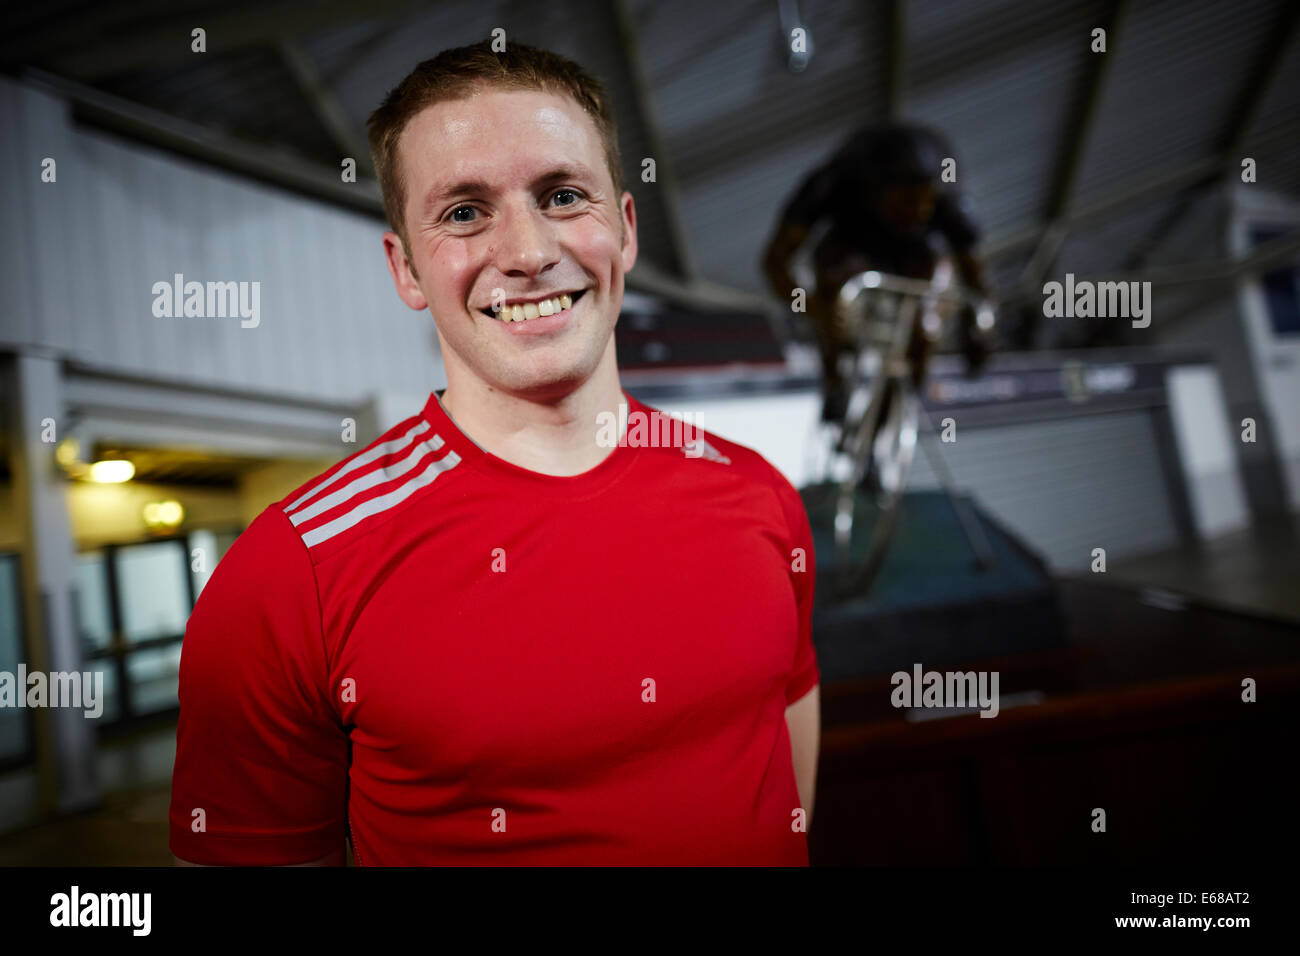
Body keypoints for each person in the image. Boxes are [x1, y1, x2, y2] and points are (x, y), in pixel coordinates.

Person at [169, 40, 820, 866]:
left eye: (561, 194)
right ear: (405, 267)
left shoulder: (759, 495)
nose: (528, 252)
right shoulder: (291, 574)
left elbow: (789, 782)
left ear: (624, 231)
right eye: (466, 212)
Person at [763, 122, 995, 425]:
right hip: (849, 245)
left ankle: (897, 406)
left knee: (927, 325)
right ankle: (834, 379)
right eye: (905, 202)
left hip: (920, 253)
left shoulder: (948, 202)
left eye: (925, 201)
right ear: (875, 189)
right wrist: (814, 308)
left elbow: (977, 278)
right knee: (833, 295)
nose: (920, 212)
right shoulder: (831, 184)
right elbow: (776, 261)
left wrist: (978, 328)